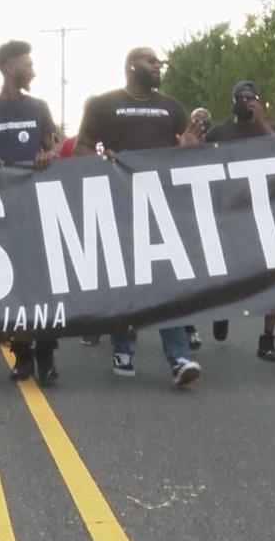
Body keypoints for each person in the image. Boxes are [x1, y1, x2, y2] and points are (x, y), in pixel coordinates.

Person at [73, 46, 204, 387]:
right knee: (124, 278)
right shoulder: (103, 104)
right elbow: (82, 146)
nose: (158, 66)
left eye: (160, 62)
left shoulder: (172, 107)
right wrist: (103, 158)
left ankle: (178, 358)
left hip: (161, 205)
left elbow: (184, 154)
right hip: (118, 204)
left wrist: (189, 147)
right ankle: (122, 347)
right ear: (132, 66)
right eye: (151, 60)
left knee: (165, 280)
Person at [0, 40, 60, 384]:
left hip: (37, 210)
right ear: (10, 69)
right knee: (14, 289)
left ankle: (47, 356)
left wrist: (49, 154)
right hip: (2, 213)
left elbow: (53, 144)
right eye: (28, 64)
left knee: (43, 285)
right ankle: (22, 355)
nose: (33, 70)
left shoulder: (39, 106)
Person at [204, 82, 275, 362]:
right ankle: (222, 310)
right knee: (225, 272)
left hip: (265, 213)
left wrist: (262, 123)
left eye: (253, 98)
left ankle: (267, 339)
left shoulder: (270, 129)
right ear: (233, 102)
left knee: (274, 277)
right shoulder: (219, 133)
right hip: (229, 214)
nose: (248, 102)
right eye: (242, 97)